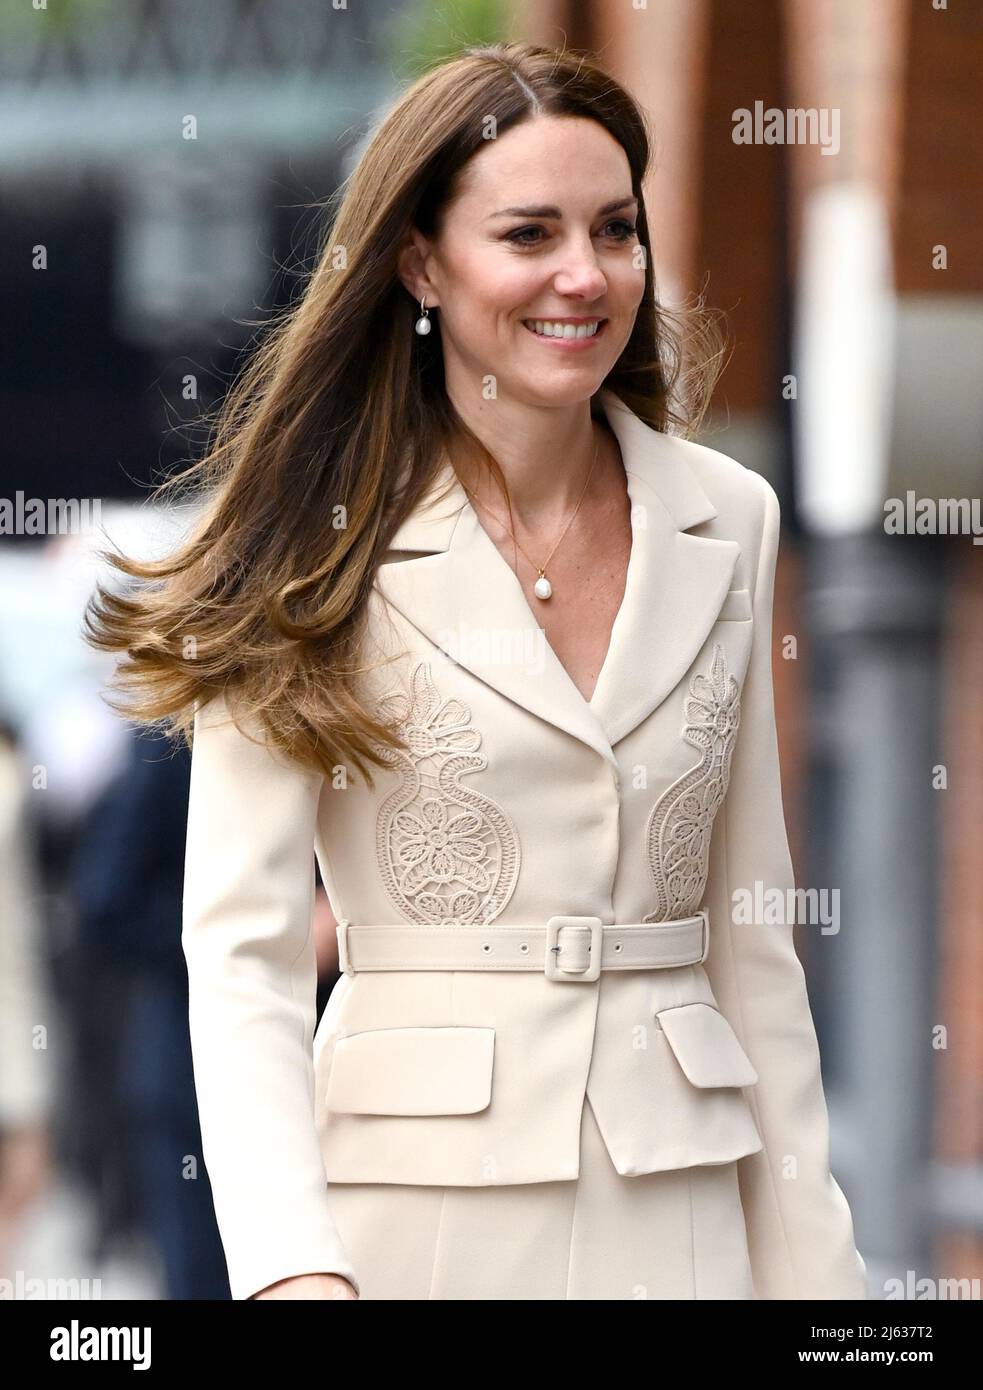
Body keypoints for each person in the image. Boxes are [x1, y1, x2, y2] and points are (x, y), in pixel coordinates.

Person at [83, 41, 867, 1301]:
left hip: (685, 1220)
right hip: (404, 1224)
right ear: (417, 263)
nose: (584, 273)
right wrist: (291, 1270)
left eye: (615, 230)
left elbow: (751, 947)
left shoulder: (731, 517)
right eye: (528, 232)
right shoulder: (302, 537)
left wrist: (821, 1291)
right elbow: (246, 960)